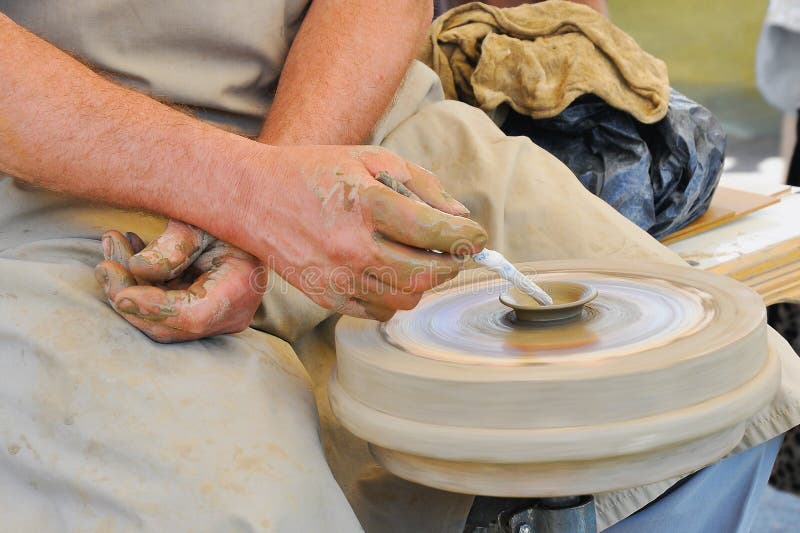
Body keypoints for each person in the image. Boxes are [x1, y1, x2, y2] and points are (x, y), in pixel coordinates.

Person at [0, 2, 798, 531]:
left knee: (718, 388)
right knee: (250, 506)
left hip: (346, 122)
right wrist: (239, 193)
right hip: (62, 174)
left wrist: (279, 188)